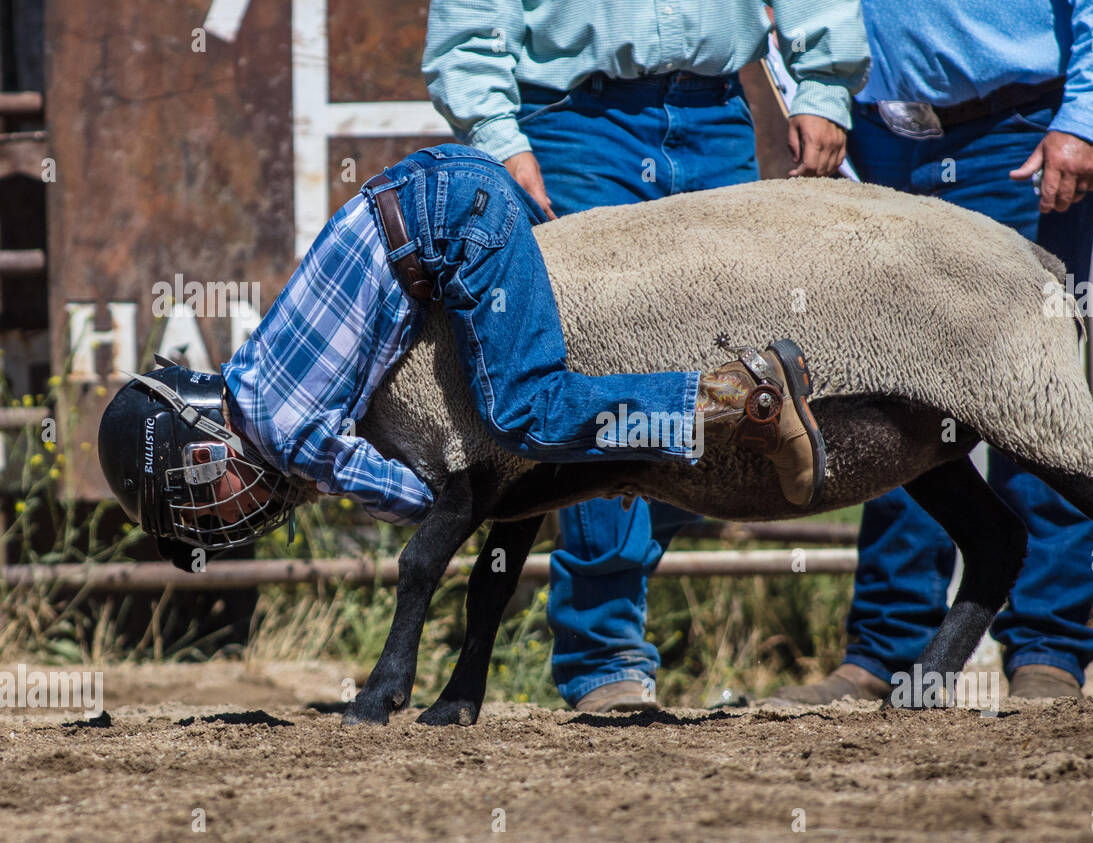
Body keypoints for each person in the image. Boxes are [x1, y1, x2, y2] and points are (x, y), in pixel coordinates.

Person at [424, 1, 871, 712]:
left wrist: (823, 88)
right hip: (577, 121)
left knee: (725, 377)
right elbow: (470, 17)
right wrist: (497, 135)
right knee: (604, 371)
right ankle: (605, 651)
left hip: (718, 111)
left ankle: (616, 596)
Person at [97, 146, 825, 558]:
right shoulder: (253, 374)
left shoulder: (284, 433)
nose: (219, 523)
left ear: (204, 445)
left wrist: (346, 485)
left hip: (451, 219)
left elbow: (423, 501)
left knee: (527, 414)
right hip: (436, 193)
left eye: (200, 503)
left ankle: (739, 398)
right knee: (531, 412)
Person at [770, 0, 1093, 705]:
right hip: (870, 139)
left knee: (1029, 396)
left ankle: (1046, 647)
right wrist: (812, 94)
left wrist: (1089, 112)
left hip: (1014, 135)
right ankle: (889, 650)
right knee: (891, 401)